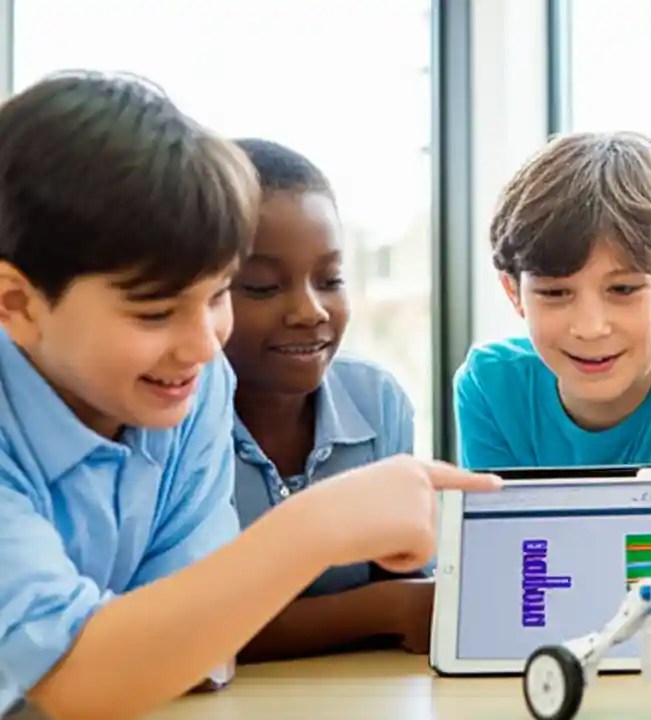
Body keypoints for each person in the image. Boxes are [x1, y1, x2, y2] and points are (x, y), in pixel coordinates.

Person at [0, 72, 499, 720]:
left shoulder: (192, 391)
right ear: (17, 303)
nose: (203, 345)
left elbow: (202, 654)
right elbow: (74, 677)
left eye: (216, 298)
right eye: (154, 314)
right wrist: (321, 525)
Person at [454, 131, 651, 528]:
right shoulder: (489, 386)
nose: (590, 327)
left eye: (623, 289)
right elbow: (500, 556)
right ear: (513, 291)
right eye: (554, 292)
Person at [227, 139, 436, 662]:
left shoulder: (377, 402)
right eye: (261, 286)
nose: (309, 310)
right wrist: (384, 609)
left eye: (331, 280)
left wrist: (401, 607)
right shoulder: (172, 421)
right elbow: (181, 633)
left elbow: (421, 602)